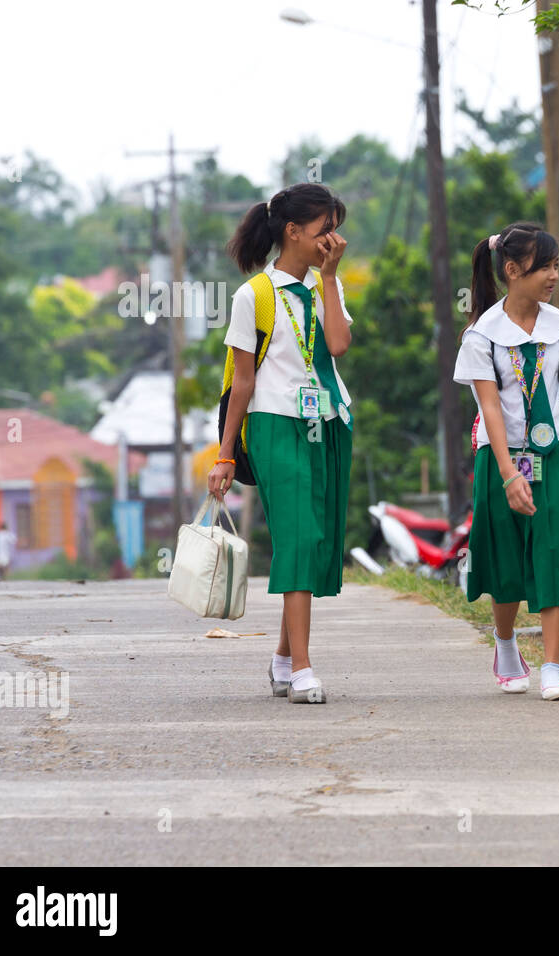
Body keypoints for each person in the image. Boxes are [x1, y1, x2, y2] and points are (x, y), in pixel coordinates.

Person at [209, 183, 355, 704]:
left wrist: (331, 279)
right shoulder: (254, 295)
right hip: (274, 425)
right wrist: (225, 453)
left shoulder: (324, 287)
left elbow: (337, 345)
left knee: (315, 539)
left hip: (329, 421)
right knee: (296, 537)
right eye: (323, 231)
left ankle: (280, 658)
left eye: (334, 230)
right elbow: (240, 382)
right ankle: (303, 668)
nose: (331, 241)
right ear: (292, 232)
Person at [453, 221, 559, 701]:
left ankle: (553, 670)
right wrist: (505, 473)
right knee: (505, 555)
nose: (553, 275)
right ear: (513, 270)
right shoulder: (482, 335)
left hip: (555, 453)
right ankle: (504, 643)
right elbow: (490, 405)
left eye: (556, 265)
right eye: (544, 266)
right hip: (501, 458)